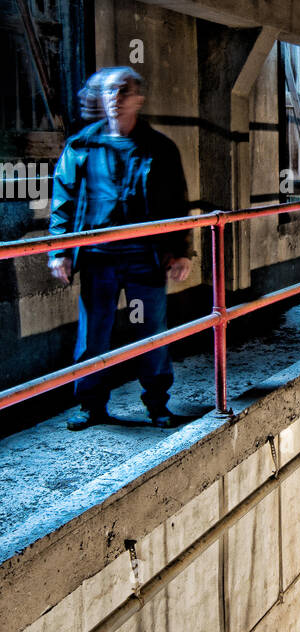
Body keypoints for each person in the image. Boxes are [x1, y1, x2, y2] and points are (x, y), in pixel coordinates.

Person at [48, 67, 193, 430]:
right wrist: (58, 251)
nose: (115, 97)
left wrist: (180, 250)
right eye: (110, 91)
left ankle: (157, 403)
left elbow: (177, 203)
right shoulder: (82, 146)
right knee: (93, 334)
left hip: (143, 259)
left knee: (147, 329)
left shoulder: (159, 148)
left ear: (138, 99)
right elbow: (63, 200)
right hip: (99, 260)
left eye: (124, 91)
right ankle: (91, 405)